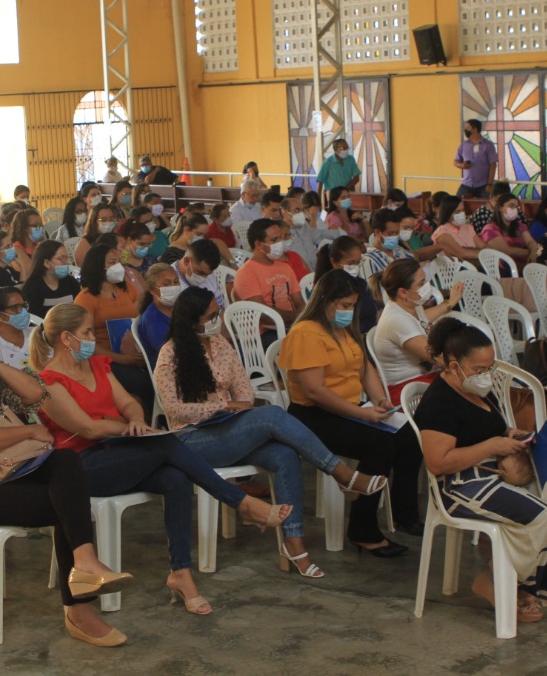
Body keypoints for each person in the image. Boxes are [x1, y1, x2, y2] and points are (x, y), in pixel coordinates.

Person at [34, 303, 290, 616]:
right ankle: (241, 502)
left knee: (176, 478)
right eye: (87, 332)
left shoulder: (96, 365)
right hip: (79, 468)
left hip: (116, 454)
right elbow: (87, 427)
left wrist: (137, 421)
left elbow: (129, 403)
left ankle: (181, 574)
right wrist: (128, 430)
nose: (92, 338)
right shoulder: (47, 382)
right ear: (66, 338)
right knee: (165, 443)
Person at [0, 311, 133, 647]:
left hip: (11, 470)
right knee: (66, 503)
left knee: (66, 461)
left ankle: (85, 564)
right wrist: (29, 430)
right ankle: (79, 609)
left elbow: (36, 394)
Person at [156, 286, 388, 578]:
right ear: (191, 321)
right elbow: (175, 409)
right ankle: (341, 473)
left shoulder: (221, 345)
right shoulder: (171, 354)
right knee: (272, 417)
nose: (218, 320)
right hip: (192, 438)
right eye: (212, 316)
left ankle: (294, 544)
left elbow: (246, 393)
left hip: (228, 429)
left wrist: (230, 407)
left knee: (284, 453)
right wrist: (220, 408)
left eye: (218, 313)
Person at [414, 317, 547, 618]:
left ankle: (523, 585)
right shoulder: (439, 402)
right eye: (480, 369)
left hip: (496, 471)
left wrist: (509, 435)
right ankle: (496, 581)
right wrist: (491, 446)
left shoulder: (478, 389)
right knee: (542, 518)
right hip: (461, 484)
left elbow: (491, 427)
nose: (487, 375)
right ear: (454, 366)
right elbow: (438, 463)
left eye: (489, 367)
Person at [279, 268, 423, 549]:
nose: (350, 311)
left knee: (408, 436)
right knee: (379, 445)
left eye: (353, 305)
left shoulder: (343, 328)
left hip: (347, 407)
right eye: (345, 305)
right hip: (311, 416)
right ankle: (363, 530)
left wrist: (380, 400)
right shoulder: (306, 333)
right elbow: (314, 391)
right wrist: (362, 413)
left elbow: (366, 368)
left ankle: (406, 514)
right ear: (325, 301)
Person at [74, 242, 153, 409]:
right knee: (143, 382)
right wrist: (123, 359)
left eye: (119, 262)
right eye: (112, 263)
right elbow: (87, 342)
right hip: (105, 358)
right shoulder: (85, 299)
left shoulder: (128, 289)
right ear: (98, 266)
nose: (118, 266)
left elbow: (142, 318)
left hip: (136, 352)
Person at [372, 259, 462, 404]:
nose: (427, 286)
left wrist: (451, 302)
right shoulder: (396, 319)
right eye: (421, 283)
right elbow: (438, 358)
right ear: (403, 292)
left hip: (426, 379)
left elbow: (424, 318)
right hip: (407, 390)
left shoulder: (410, 307)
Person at [233, 219, 305, 348]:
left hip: (290, 326)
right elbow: (263, 314)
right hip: (264, 333)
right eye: (274, 240)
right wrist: (296, 316)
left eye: (280, 239)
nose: (280, 244)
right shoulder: (246, 272)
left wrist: (300, 317)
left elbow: (299, 301)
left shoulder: (284, 267)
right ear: (259, 244)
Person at [22, 240, 81, 319]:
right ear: (46, 263)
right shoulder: (32, 287)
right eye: (61, 258)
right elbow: (35, 318)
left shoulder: (71, 282)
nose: (66, 262)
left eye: (67, 258)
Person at [135, 263, 179, 369]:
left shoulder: (180, 309)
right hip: (169, 371)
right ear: (151, 289)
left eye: (176, 282)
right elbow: (170, 355)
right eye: (167, 284)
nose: (173, 287)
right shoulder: (152, 319)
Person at [0, 286, 33, 370]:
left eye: (24, 306)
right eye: (15, 308)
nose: (23, 312)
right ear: (0, 316)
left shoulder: (35, 334)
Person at [480, 194, 537, 269]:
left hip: (524, 265)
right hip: (503, 267)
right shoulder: (490, 229)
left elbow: (530, 241)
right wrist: (530, 252)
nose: (515, 210)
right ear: (500, 208)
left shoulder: (520, 226)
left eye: (517, 207)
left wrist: (533, 250)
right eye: (511, 206)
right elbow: (506, 251)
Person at [171, 238, 228, 312]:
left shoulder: (208, 274)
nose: (204, 278)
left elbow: (220, 307)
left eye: (208, 274)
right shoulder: (170, 284)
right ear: (186, 261)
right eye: (201, 273)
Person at [430, 194, 485, 265]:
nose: (462, 214)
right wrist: (485, 255)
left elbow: (482, 246)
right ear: (448, 213)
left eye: (463, 210)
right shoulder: (442, 232)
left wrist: (493, 253)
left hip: (475, 265)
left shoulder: (467, 227)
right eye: (457, 211)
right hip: (455, 270)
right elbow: (462, 253)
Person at [360, 208, 414, 280]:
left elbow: (414, 261)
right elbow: (372, 289)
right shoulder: (369, 260)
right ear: (377, 232)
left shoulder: (399, 250)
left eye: (397, 233)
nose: (395, 237)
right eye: (391, 233)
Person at [454, 119, 499, 198]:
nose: (465, 130)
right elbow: (455, 161)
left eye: (468, 128)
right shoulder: (463, 145)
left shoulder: (488, 145)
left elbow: (493, 165)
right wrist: (462, 165)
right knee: (457, 203)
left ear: (475, 129)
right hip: (466, 184)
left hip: (483, 185)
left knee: (486, 205)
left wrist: (489, 184)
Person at [75, 202, 119, 267]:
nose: (108, 222)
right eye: (103, 220)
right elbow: (83, 268)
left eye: (111, 219)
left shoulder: (115, 237)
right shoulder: (86, 242)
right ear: (94, 221)